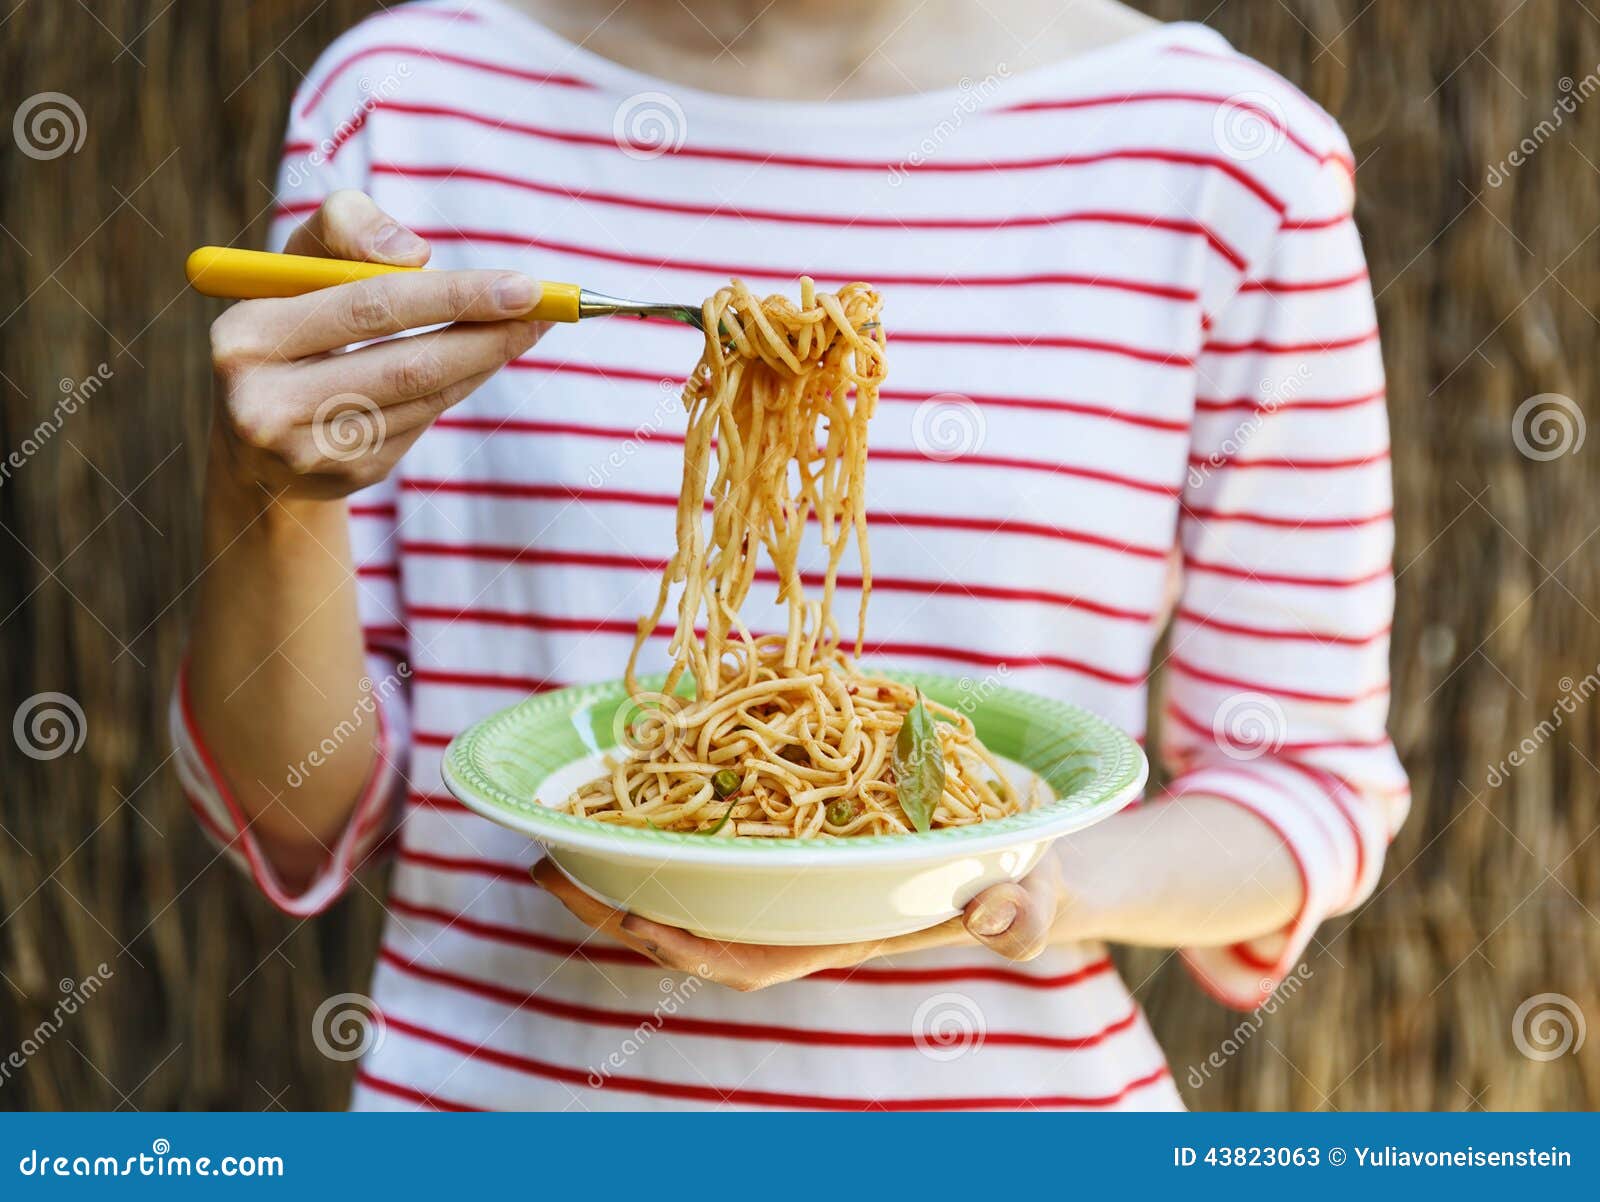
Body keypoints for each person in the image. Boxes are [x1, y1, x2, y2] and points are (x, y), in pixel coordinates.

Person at [175, 0, 1409, 1110]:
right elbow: (299, 801)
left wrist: (1026, 884)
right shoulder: (404, 98)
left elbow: (1302, 783)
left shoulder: (1227, 157)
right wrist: (267, 501)